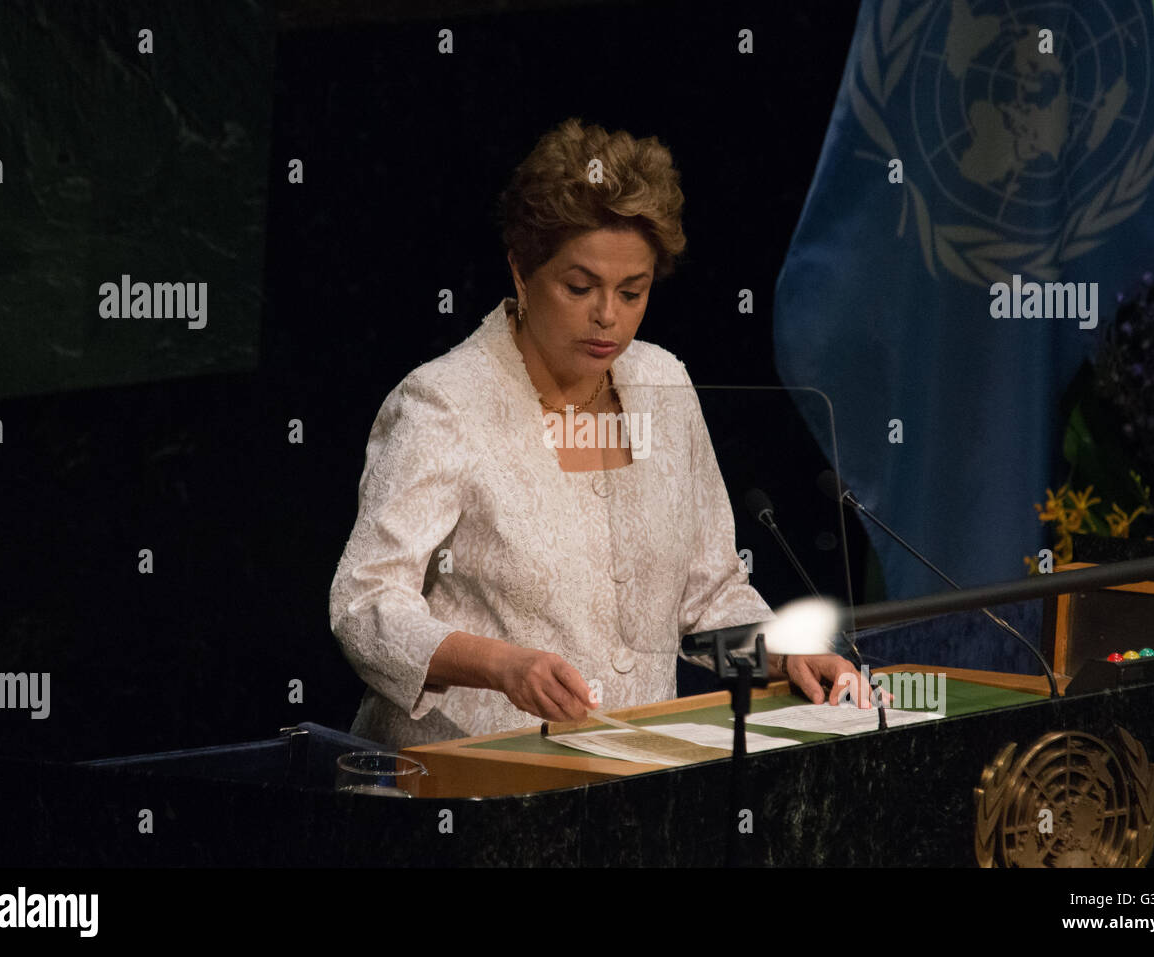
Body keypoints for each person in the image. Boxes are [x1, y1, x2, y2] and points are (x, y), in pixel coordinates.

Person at [329, 117, 870, 749]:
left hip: (634, 778)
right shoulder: (444, 404)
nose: (607, 317)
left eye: (632, 292)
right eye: (579, 287)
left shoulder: (663, 383)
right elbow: (365, 604)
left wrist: (782, 656)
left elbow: (709, 600)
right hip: (468, 783)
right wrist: (502, 664)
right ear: (520, 272)